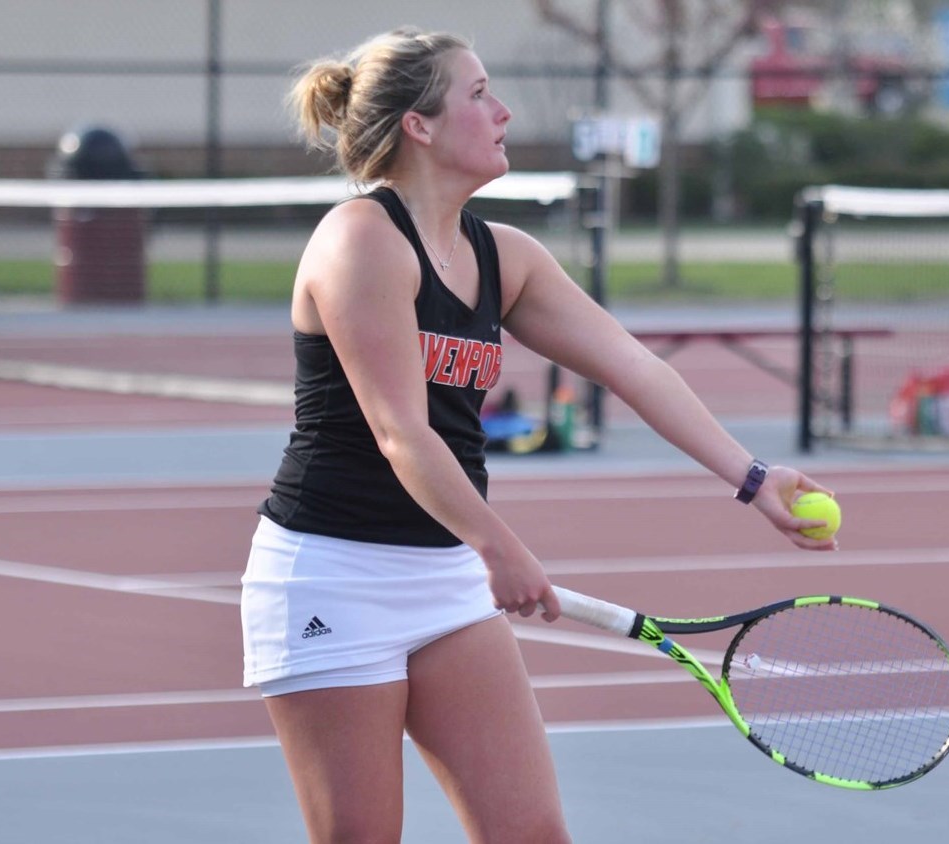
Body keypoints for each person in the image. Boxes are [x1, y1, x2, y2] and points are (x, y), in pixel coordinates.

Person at [239, 26, 837, 844]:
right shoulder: (361, 242)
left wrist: (753, 476)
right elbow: (399, 431)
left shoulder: (505, 257)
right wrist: (499, 546)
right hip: (333, 576)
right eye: (478, 94)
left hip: (444, 578)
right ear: (418, 124)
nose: (503, 111)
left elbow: (634, 366)